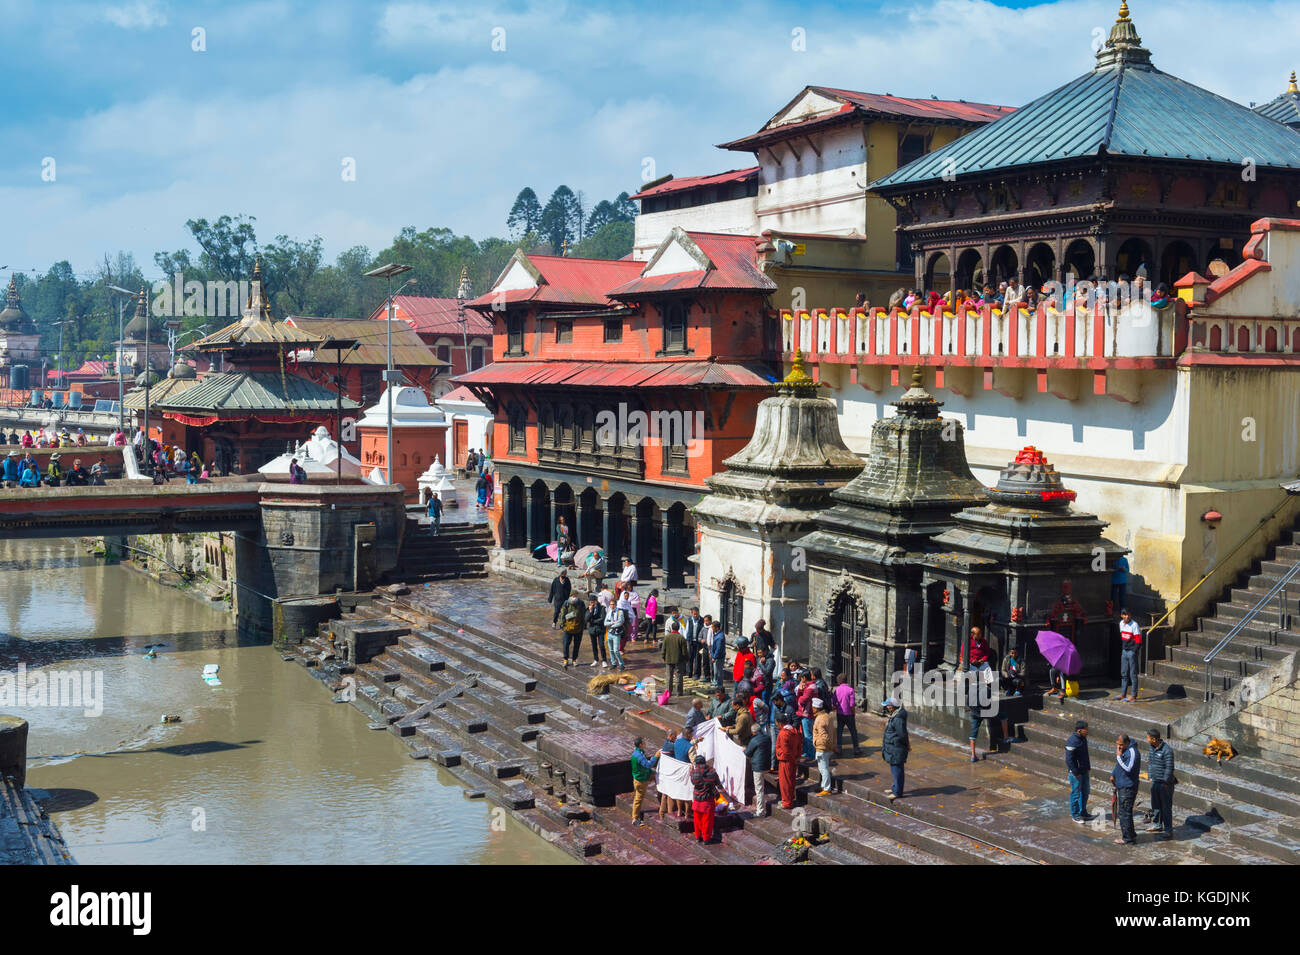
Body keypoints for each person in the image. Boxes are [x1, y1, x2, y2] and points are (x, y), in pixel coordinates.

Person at [1146, 728, 1175, 840]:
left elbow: (1169, 768)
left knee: (1166, 807)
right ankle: (1157, 825)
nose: (1147, 739)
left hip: (1165, 784)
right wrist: (1150, 776)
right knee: (1156, 806)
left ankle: (1168, 829)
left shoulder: (1167, 750)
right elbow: (1150, 763)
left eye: (1148, 738)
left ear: (1154, 739)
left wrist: (1165, 782)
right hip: (1155, 781)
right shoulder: (1152, 748)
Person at [1111, 733, 1141, 845]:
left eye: (1121, 745)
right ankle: (1131, 834)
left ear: (1127, 743)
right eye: (1117, 745)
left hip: (1128, 787)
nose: (1119, 747)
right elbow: (1119, 765)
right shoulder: (1125, 750)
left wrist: (1118, 756)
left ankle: (1127, 838)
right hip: (1122, 785)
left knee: (1125, 813)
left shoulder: (1132, 752)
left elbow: (1128, 768)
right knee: (1124, 812)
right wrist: (1113, 774)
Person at [1066, 719, 1095, 823]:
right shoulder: (1072, 741)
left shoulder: (1083, 739)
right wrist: (1075, 772)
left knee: (1085, 792)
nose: (1087, 731)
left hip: (1084, 771)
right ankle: (1075, 815)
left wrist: (1087, 767)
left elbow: (1085, 755)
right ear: (1079, 731)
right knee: (1075, 794)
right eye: (1085, 730)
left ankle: (1083, 812)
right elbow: (1069, 760)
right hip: (1076, 774)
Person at [881, 697, 910, 800]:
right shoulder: (895, 715)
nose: (886, 707)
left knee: (897, 771)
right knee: (895, 770)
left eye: (888, 705)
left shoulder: (897, 719)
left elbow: (902, 734)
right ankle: (895, 788)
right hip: (893, 748)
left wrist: (907, 745)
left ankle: (897, 792)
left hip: (896, 749)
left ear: (892, 707)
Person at [689, 755, 722, 843]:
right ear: (705, 762)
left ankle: (698, 836)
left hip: (697, 801)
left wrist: (691, 771)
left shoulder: (694, 773)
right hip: (708, 801)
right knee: (707, 821)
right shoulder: (712, 772)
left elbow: (692, 782)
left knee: (697, 821)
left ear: (696, 763)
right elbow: (718, 784)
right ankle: (706, 839)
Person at [629, 737, 658, 826]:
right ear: (641, 745)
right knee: (638, 799)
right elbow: (648, 765)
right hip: (641, 780)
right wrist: (656, 756)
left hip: (642, 775)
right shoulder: (639, 756)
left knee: (656, 775)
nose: (645, 743)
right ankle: (635, 819)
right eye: (644, 743)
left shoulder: (637, 753)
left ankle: (661, 794)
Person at [745, 719, 771, 815]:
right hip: (767, 765)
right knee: (761, 787)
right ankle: (761, 808)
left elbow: (747, 752)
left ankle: (760, 811)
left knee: (759, 789)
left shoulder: (754, 740)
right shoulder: (768, 737)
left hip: (758, 767)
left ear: (753, 732)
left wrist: (744, 750)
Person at [775, 717, 801, 810]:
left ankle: (787, 802)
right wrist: (797, 757)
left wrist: (780, 753)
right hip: (793, 760)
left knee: (785, 782)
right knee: (791, 781)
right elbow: (799, 745)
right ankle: (789, 799)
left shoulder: (783, 733)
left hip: (786, 761)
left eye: (777, 723)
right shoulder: (795, 731)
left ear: (780, 723)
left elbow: (785, 750)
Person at [832, 673, 861, 756]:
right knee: (853, 731)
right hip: (849, 714)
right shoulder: (851, 690)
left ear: (838, 681)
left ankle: (839, 748)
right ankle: (856, 748)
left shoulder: (836, 690)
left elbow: (834, 703)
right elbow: (852, 705)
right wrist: (853, 713)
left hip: (840, 714)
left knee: (839, 731)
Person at [1117, 608, 1141, 702]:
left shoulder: (1134, 625)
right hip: (1124, 651)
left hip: (1131, 652)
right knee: (1124, 673)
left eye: (1128, 615)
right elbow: (1122, 637)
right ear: (1122, 616)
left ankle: (1133, 695)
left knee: (1133, 674)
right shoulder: (1121, 624)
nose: (1127, 616)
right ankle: (1123, 694)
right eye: (1125, 615)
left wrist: (1134, 651)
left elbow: (1138, 641)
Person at [812, 698, 835, 796]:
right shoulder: (827, 716)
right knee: (823, 768)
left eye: (813, 707)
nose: (812, 709)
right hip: (828, 746)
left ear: (816, 708)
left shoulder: (820, 719)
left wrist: (818, 743)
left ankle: (826, 788)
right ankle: (823, 785)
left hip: (822, 748)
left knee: (823, 769)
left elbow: (824, 736)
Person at [661, 619, 688, 697]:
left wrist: (663, 657)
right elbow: (684, 651)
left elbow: (663, 649)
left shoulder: (667, 637)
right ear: (678, 628)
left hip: (668, 659)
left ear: (672, 628)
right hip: (679, 660)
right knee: (679, 676)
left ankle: (668, 692)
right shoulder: (681, 638)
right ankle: (679, 692)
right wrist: (686, 659)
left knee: (669, 676)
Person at [561, 593, 586, 668]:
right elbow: (563, 615)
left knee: (577, 645)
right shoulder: (566, 603)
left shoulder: (581, 603)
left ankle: (574, 659)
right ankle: (565, 659)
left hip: (578, 628)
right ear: (570, 596)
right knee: (566, 644)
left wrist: (583, 625)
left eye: (575, 596)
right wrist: (563, 624)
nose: (574, 597)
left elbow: (584, 614)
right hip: (568, 628)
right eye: (573, 596)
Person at [585, 594, 608, 668]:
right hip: (592, 630)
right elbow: (586, 619)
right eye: (590, 602)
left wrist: (593, 621)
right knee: (594, 645)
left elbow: (602, 618)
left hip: (600, 629)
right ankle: (596, 659)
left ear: (596, 601)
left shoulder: (602, 608)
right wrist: (591, 611)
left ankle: (604, 660)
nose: (591, 603)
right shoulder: (588, 609)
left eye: (593, 602)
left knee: (601, 645)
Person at [605, 600, 628, 669]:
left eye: (613, 604)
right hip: (609, 633)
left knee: (616, 651)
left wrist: (611, 625)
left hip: (616, 634)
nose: (612, 606)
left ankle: (621, 664)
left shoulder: (620, 612)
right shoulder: (609, 612)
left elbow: (620, 622)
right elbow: (605, 623)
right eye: (611, 604)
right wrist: (612, 623)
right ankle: (613, 663)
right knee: (610, 650)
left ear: (616, 605)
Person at [683, 607, 705, 679]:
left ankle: (696, 674)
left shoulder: (702, 620)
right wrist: (687, 640)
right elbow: (687, 630)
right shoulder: (689, 620)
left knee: (698, 658)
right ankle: (689, 673)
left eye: (697, 614)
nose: (695, 615)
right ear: (692, 614)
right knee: (690, 658)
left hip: (699, 642)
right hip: (691, 641)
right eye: (694, 614)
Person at [709, 619, 727, 691]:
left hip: (719, 657)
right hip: (716, 656)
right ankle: (716, 683)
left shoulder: (720, 637)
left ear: (717, 628)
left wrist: (714, 656)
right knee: (716, 671)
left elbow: (718, 648)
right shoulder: (718, 634)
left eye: (713, 627)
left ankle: (719, 685)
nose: (712, 629)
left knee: (719, 672)